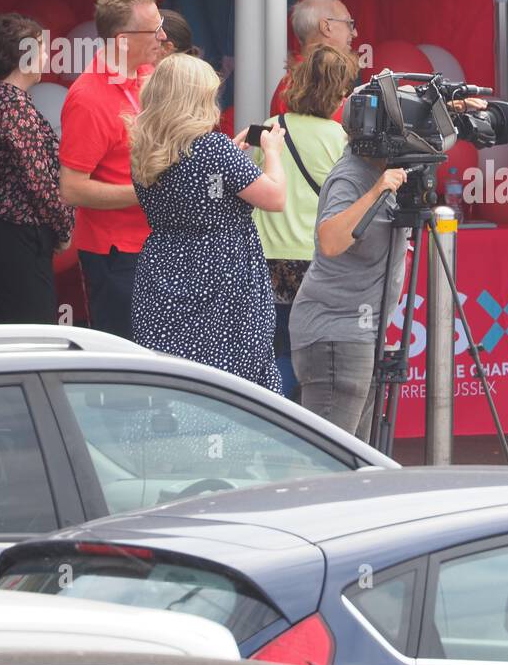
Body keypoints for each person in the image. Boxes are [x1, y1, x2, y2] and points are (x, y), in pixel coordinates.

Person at [127, 53, 287, 391]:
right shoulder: (213, 149)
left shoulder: (144, 147)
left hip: (164, 272)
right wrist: (271, 152)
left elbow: (192, 184)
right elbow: (275, 197)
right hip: (222, 273)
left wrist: (230, 156)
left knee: (172, 381)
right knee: (233, 384)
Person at [59, 0, 166, 339]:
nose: (162, 36)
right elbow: (72, 189)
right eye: (153, 30)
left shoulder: (148, 76)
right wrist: (144, 193)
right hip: (116, 255)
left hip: (155, 241)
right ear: (121, 40)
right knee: (127, 360)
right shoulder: (88, 98)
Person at [289, 133, 409, 442]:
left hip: (357, 333)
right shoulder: (352, 176)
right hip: (335, 334)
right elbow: (330, 240)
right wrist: (376, 192)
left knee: (353, 457)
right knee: (327, 457)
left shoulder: (376, 169)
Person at [253, 45, 358, 395]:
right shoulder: (341, 140)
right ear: (339, 93)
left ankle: (263, 412)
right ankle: (281, 414)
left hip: (264, 257)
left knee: (274, 347)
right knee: (307, 354)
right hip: (314, 261)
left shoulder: (268, 128)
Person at [0, 13, 74, 323]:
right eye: (41, 50)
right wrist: (63, 227)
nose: (47, 57)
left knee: (2, 334)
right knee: (35, 337)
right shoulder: (14, 109)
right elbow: (38, 181)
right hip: (14, 240)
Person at [269, 0, 358, 117]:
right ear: (326, 27)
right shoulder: (308, 86)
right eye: (349, 24)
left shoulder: (292, 84)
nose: (355, 33)